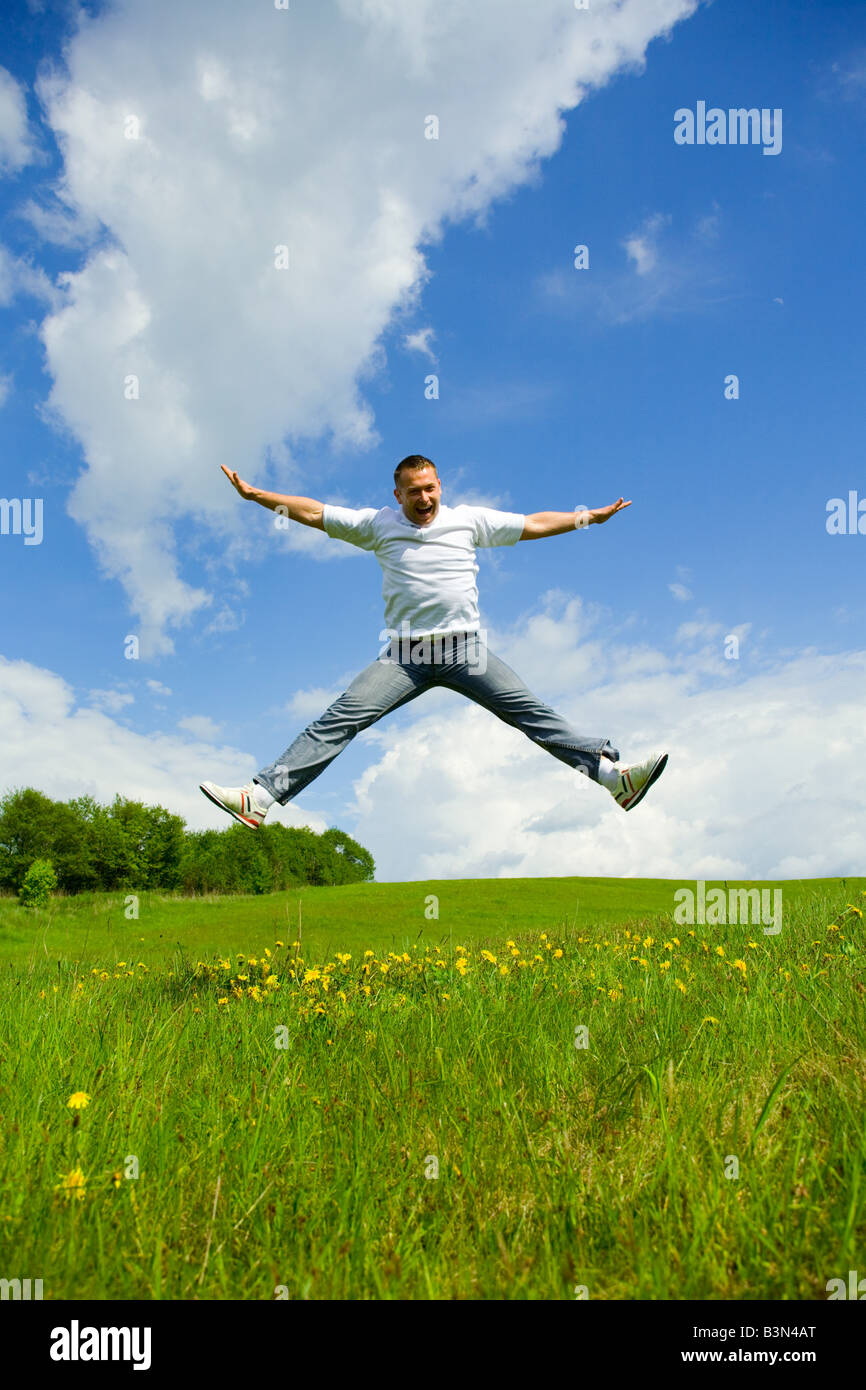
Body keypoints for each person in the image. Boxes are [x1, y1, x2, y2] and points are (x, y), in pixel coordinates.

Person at [200, 455, 667, 828]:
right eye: (414, 491)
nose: (424, 498)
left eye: (431, 488)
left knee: (531, 714)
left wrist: (589, 518)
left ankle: (613, 778)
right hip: (406, 655)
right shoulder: (377, 524)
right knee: (341, 717)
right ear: (397, 494)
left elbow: (534, 524)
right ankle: (258, 798)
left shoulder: (469, 521)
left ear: (440, 487)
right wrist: (255, 494)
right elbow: (314, 511)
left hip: (465, 649)